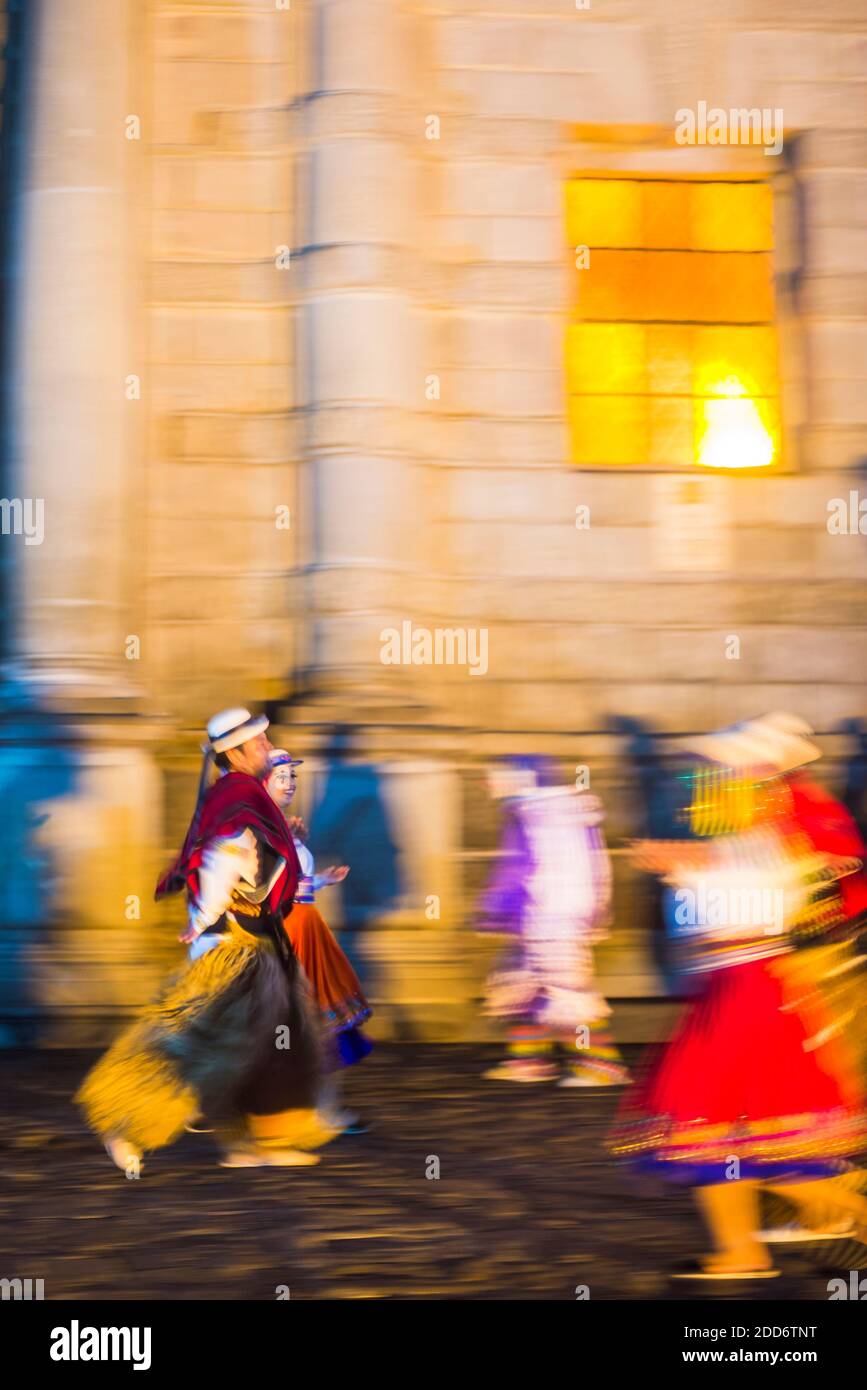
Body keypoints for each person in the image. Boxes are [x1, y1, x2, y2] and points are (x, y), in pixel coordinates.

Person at [613, 717, 867, 1280]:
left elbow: (743, 880)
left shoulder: (765, 845)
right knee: (732, 1142)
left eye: (719, 781)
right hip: (730, 994)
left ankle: (747, 1250)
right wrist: (680, 862)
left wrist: (678, 862)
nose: (704, 792)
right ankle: (741, 1251)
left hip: (747, 998)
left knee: (737, 1135)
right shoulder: (754, 842)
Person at [76, 707, 333, 1172]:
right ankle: (125, 1123)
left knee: (265, 1047)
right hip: (234, 949)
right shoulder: (237, 797)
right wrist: (202, 921)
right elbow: (222, 855)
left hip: (258, 943)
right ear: (234, 752)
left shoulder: (243, 794)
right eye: (258, 744)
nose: (266, 749)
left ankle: (253, 1144)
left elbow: (256, 853)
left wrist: (283, 837)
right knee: (200, 1045)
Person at [477, 755, 628, 1086]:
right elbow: (597, 867)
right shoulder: (571, 812)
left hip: (546, 918)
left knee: (565, 992)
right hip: (562, 916)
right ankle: (529, 1060)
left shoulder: (530, 814)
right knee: (523, 984)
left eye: (496, 776)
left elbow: (518, 867)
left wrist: (495, 907)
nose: (490, 784)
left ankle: (600, 1065)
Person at [265, 749, 372, 1132]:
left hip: (305, 927)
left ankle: (320, 1111)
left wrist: (321, 879)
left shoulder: (279, 827)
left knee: (318, 1027)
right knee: (302, 1026)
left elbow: (291, 886)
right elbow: (268, 888)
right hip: (290, 932)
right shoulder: (263, 829)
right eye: (282, 777)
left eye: (292, 776)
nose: (290, 783)